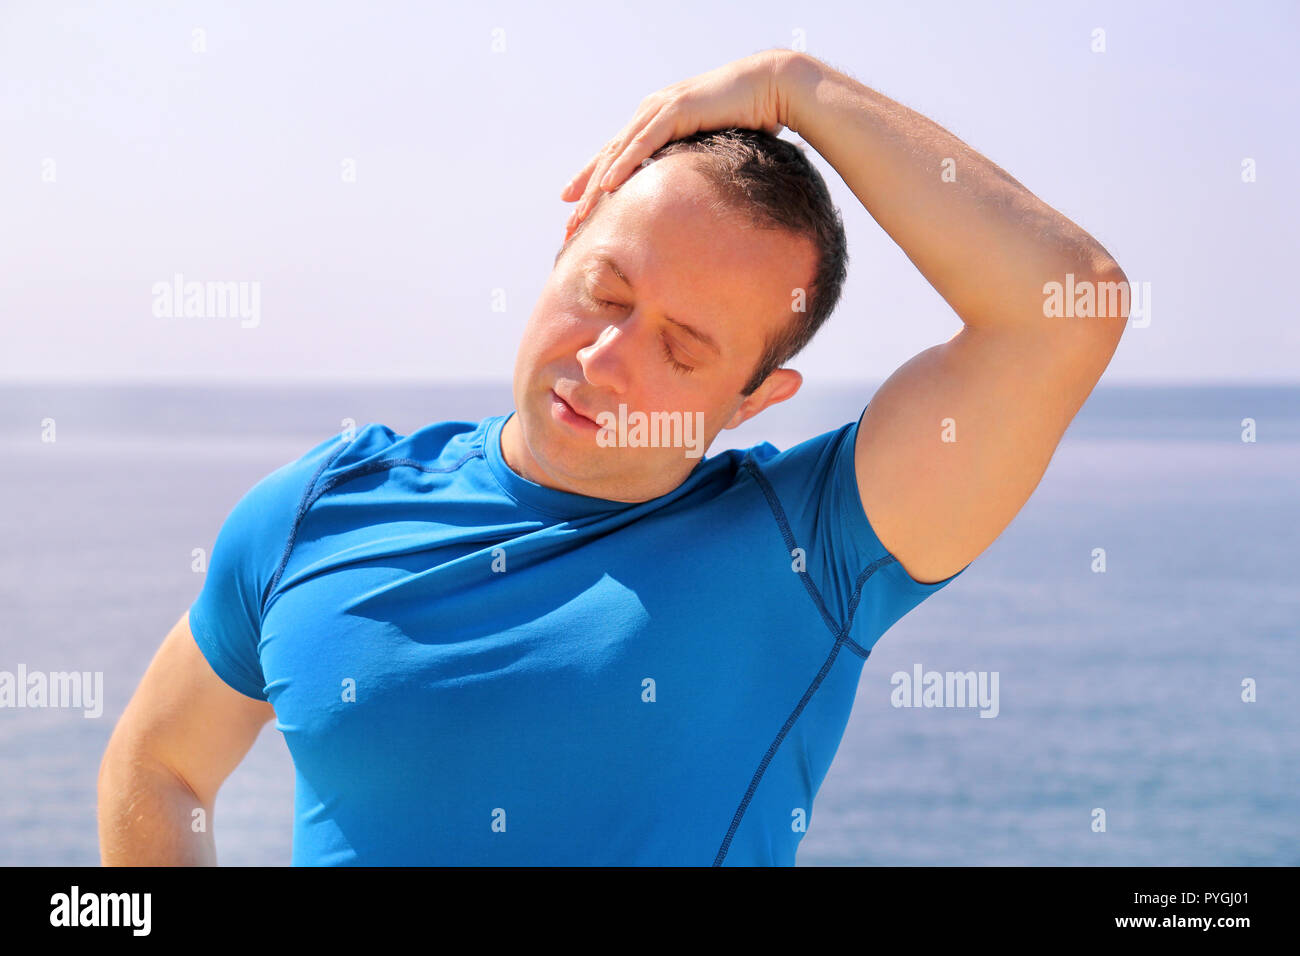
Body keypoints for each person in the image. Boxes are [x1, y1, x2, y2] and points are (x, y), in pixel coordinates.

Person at [98, 49, 1129, 865]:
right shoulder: (319, 504)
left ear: (751, 399)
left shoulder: (810, 547)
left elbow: (1065, 309)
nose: (604, 359)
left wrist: (795, 86)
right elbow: (160, 762)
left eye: (682, 349)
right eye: (604, 291)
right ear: (561, 249)